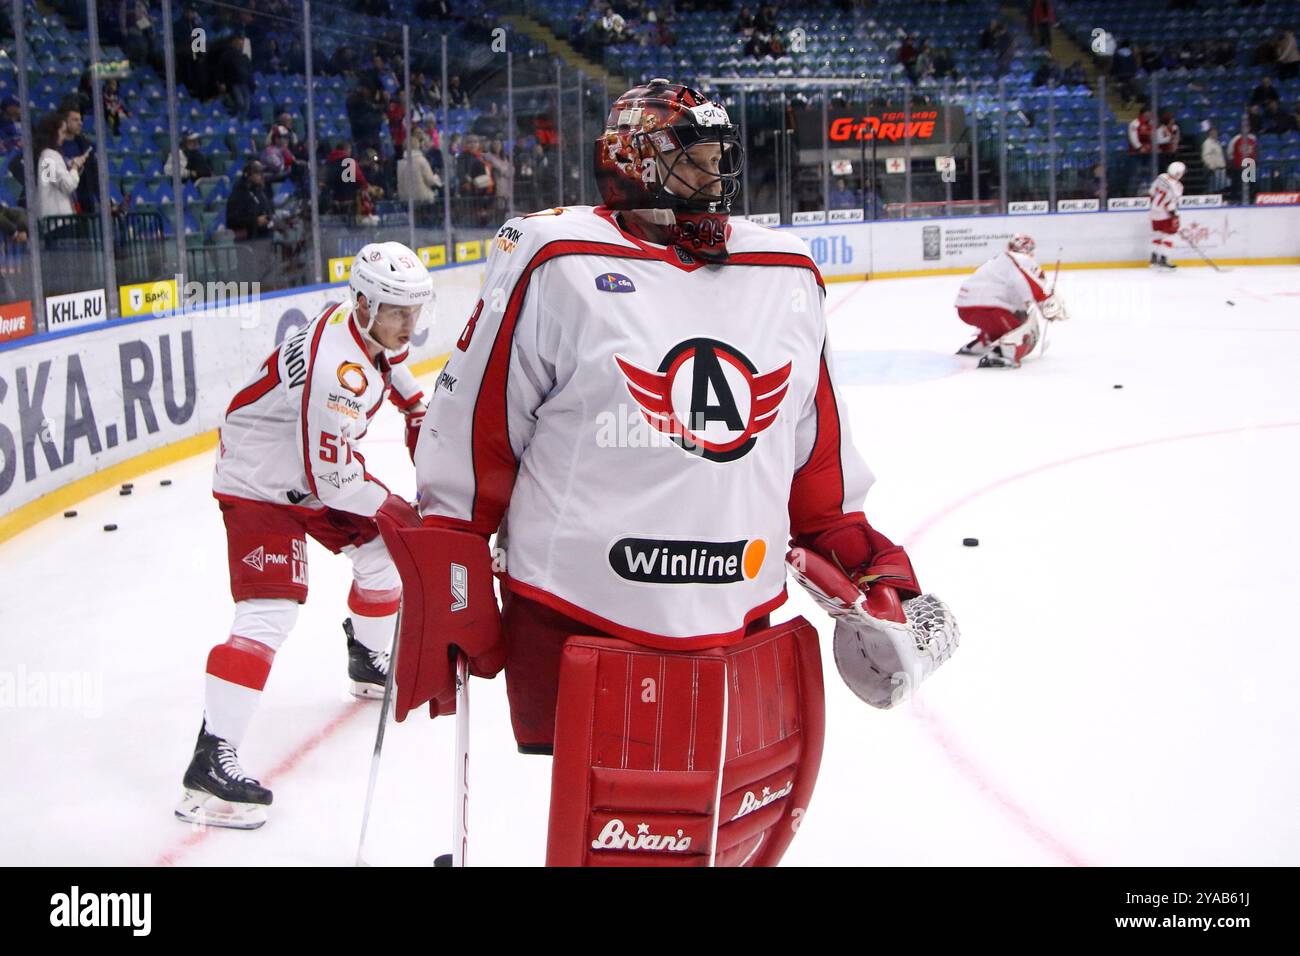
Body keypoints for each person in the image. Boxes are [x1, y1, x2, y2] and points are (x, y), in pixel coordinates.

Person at [400, 79, 959, 866]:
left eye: (718, 157)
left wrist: (869, 562)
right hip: (582, 615)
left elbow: (813, 461)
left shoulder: (784, 274)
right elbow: (477, 430)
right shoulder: (556, 260)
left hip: (737, 620)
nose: (714, 175)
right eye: (692, 158)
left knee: (709, 834)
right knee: (613, 832)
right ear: (631, 160)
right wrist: (451, 558)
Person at [176, 242, 433, 829]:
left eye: (415, 310)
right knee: (270, 611)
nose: (409, 325)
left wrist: (416, 405)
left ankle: (368, 660)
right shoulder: (334, 372)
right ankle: (209, 763)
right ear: (366, 304)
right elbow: (338, 481)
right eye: (398, 311)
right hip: (261, 482)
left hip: (304, 470)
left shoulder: (360, 325)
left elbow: (388, 364)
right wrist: (398, 508)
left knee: (379, 555)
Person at [953, 234, 1066, 369]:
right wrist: (1046, 303)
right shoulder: (1021, 260)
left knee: (1004, 322)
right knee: (1021, 330)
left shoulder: (998, 260)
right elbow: (1026, 282)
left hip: (965, 308)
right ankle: (1004, 355)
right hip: (988, 308)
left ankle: (983, 343)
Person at [35, 113, 86, 219]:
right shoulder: (49, 156)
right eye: (63, 132)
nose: (64, 137)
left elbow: (54, 181)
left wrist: (69, 169)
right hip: (59, 219)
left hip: (53, 218)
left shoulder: (45, 156)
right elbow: (67, 185)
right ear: (53, 133)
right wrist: (75, 167)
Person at [1147, 159, 1185, 270]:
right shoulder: (1177, 186)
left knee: (1157, 235)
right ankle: (1164, 258)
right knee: (1169, 236)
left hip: (1153, 211)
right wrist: (1174, 215)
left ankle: (1153, 260)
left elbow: (1151, 192)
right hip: (1164, 213)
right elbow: (1171, 205)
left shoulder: (1161, 177)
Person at [225, 161, 274, 239]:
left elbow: (268, 211)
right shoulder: (238, 194)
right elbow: (232, 220)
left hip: (265, 237)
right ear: (248, 175)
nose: (261, 176)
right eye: (257, 173)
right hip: (248, 241)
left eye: (262, 173)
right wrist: (255, 221)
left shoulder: (260, 191)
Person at [1201, 125, 1227, 193]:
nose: (1215, 134)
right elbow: (1206, 156)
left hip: (1221, 169)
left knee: (1220, 187)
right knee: (1213, 188)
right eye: (1213, 132)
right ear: (1210, 133)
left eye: (1216, 132)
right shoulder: (1207, 143)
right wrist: (1211, 166)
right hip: (1214, 169)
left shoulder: (1217, 142)